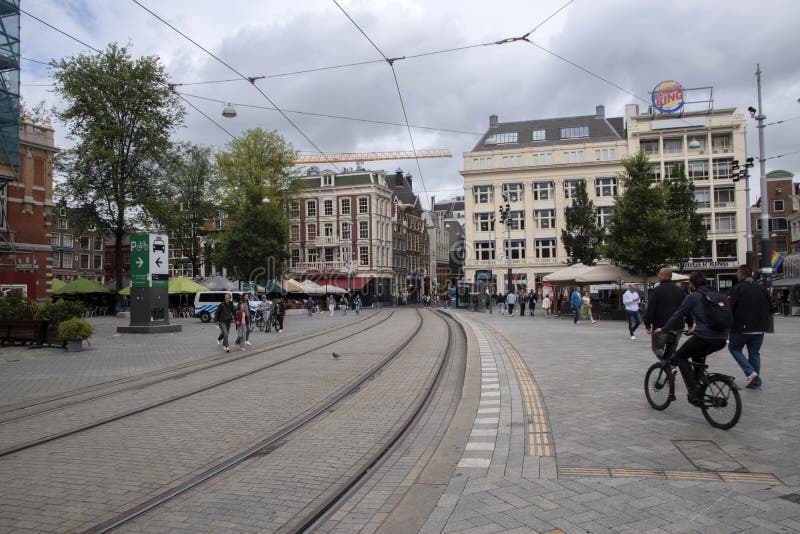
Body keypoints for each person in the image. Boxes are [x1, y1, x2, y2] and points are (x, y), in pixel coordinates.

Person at [657, 271, 729, 405]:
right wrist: (694, 327)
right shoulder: (719, 296)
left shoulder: (694, 296)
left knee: (679, 357)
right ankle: (699, 388)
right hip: (721, 339)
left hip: (704, 337)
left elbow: (678, 315)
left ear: (692, 284)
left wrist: (663, 329)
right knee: (697, 358)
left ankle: (693, 388)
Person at [728, 265, 770, 389]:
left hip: (741, 327)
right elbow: (771, 306)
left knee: (734, 348)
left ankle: (750, 372)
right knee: (754, 353)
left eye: (737, 273)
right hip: (759, 327)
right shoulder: (761, 287)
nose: (737, 275)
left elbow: (731, 308)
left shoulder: (738, 288)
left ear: (741, 274)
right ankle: (756, 382)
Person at [644, 267, 686, 353]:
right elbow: (686, 308)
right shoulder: (681, 291)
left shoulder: (657, 291)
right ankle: (670, 364)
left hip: (661, 326)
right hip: (677, 327)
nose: (658, 276)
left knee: (658, 349)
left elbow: (650, 309)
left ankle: (667, 364)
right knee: (672, 350)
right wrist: (690, 323)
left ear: (664, 276)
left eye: (659, 275)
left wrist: (647, 325)